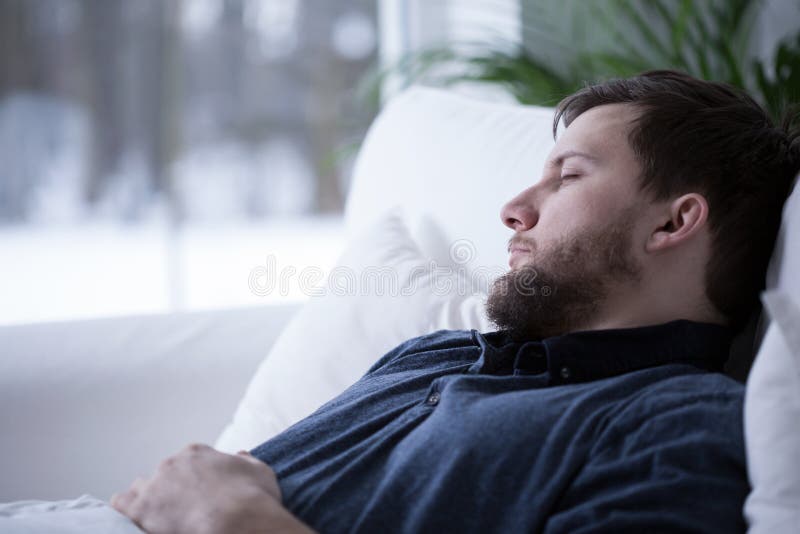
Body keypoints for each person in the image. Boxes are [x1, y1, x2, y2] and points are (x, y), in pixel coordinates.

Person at [110, 71, 799, 533]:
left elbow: (229, 506)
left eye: (569, 176)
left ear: (673, 223)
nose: (514, 209)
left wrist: (237, 521)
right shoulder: (433, 354)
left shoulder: (672, 428)